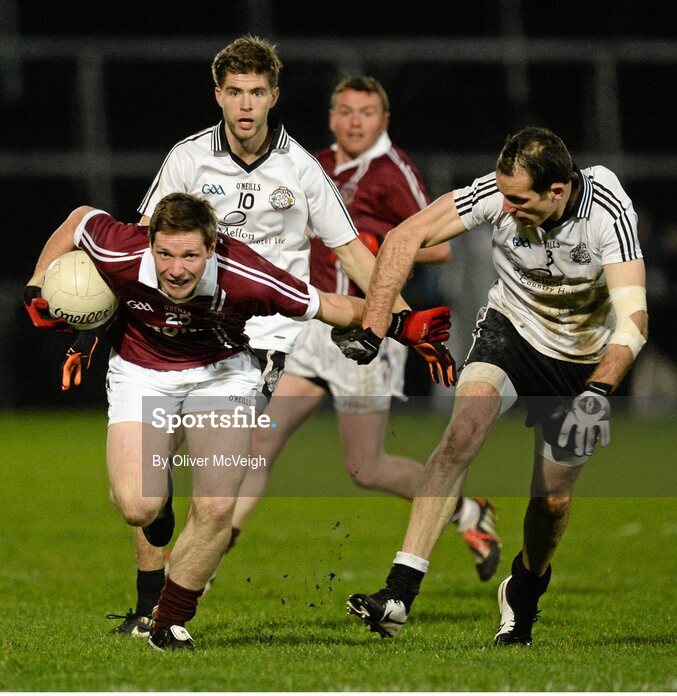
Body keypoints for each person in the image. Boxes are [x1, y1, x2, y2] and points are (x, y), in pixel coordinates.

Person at [67, 35, 454, 638]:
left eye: (256, 93)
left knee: (222, 488)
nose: (245, 105)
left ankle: (166, 612)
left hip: (258, 343)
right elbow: (142, 244)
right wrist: (93, 326)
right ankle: (149, 598)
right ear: (218, 95)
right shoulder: (189, 159)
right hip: (170, 327)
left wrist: (402, 321)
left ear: (275, 96)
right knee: (149, 485)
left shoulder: (301, 168)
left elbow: (352, 253)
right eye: (234, 93)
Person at [24, 192, 453, 650]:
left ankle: (169, 622)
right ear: (150, 243)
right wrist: (35, 285)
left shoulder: (246, 274)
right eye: (165, 253)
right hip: (141, 372)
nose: (176, 269)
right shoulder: (120, 248)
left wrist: (403, 326)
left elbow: (332, 306)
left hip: (221, 376)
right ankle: (160, 497)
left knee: (215, 507)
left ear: (211, 247)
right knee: (138, 508)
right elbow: (77, 219)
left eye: (190, 255)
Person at [342, 126, 647, 645]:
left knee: (551, 504)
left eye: (518, 199)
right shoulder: (497, 192)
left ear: (558, 191)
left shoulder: (607, 215)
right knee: (462, 431)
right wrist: (375, 325)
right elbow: (404, 236)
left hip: (581, 361)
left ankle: (523, 591)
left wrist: (596, 393)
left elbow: (634, 321)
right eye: (503, 194)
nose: (504, 208)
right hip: (512, 330)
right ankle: (398, 592)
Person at [231, 75, 502, 582]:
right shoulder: (313, 165)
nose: (356, 121)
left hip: (368, 332)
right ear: (332, 118)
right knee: (260, 442)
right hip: (313, 324)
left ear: (384, 120)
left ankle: (468, 509)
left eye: (367, 112)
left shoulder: (392, 171)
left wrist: (375, 241)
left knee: (366, 468)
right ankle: (217, 545)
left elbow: (439, 246)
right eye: (347, 111)